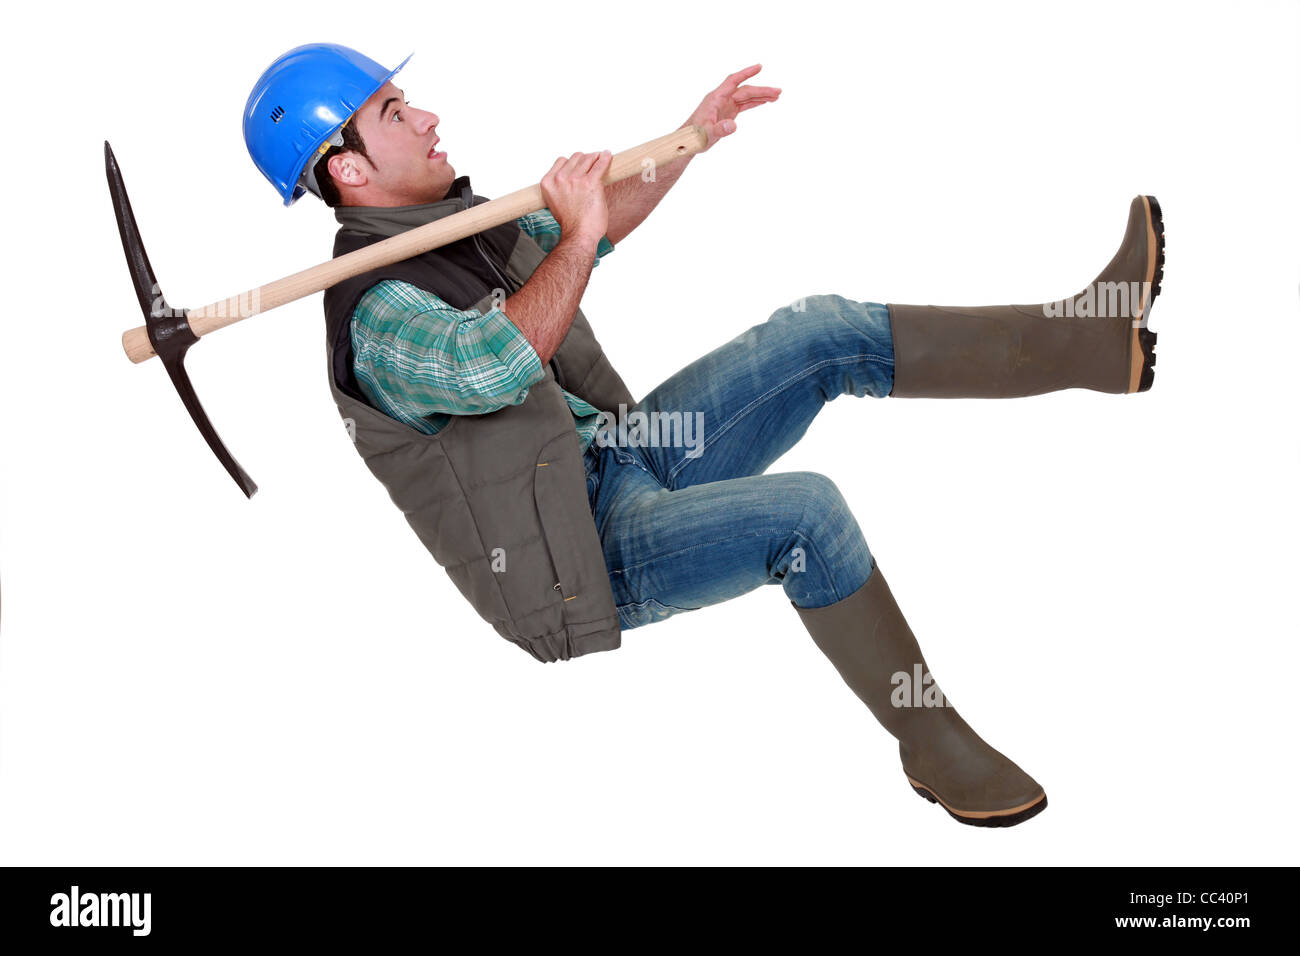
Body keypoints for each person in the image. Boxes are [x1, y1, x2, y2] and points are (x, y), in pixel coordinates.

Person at [243, 43, 1163, 827]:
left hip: (620, 452)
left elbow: (592, 234)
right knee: (808, 515)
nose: (430, 117)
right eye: (397, 112)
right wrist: (573, 236)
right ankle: (931, 737)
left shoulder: (454, 227)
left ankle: (1083, 337)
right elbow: (495, 363)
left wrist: (690, 139)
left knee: (818, 328)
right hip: (581, 556)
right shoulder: (376, 314)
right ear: (349, 168)